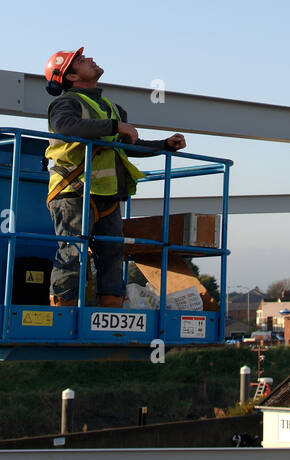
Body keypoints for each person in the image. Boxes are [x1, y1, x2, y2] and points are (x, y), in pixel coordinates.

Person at [43, 47, 186, 307]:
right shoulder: (66, 103)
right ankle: (61, 314)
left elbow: (126, 146)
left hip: (106, 193)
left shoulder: (111, 108)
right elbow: (67, 127)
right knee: (72, 252)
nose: (91, 60)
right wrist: (114, 126)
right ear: (72, 77)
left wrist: (164, 145)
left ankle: (112, 314)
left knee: (112, 254)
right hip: (74, 192)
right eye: (82, 61)